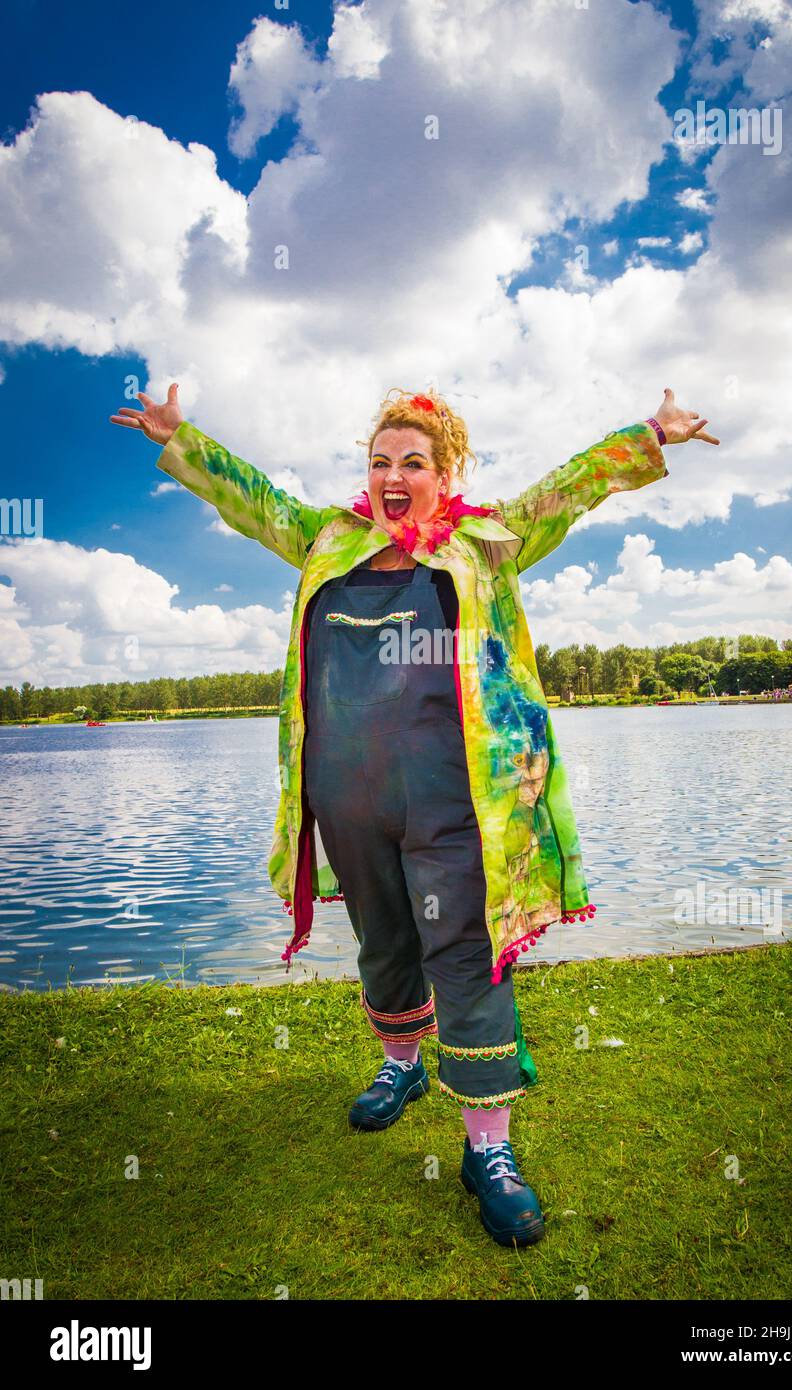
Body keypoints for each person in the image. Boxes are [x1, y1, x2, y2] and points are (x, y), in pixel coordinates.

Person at [111, 382, 718, 1247]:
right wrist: (185, 443)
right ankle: (402, 1067)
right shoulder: (327, 541)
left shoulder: (486, 543)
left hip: (457, 804)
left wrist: (651, 433)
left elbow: (571, 486)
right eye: (380, 461)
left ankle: (490, 1152)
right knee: (384, 943)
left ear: (447, 472)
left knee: (466, 956)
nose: (395, 476)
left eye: (414, 463)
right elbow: (254, 502)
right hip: (347, 802)